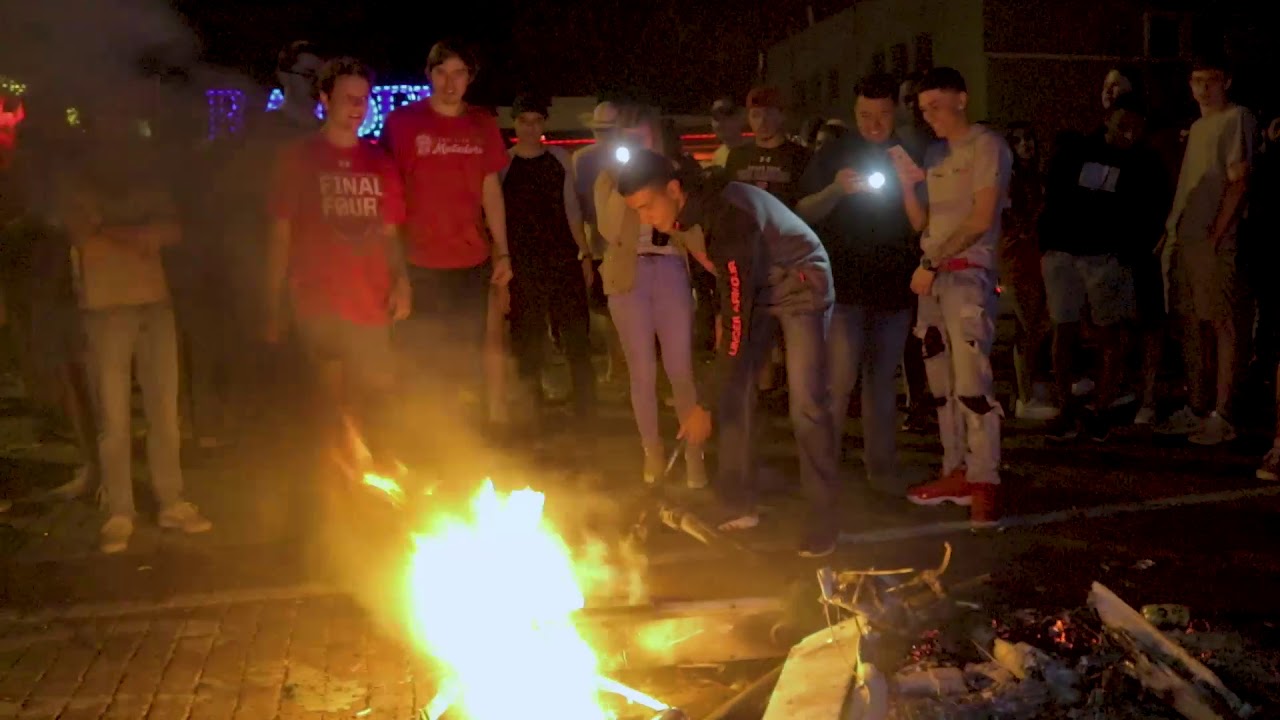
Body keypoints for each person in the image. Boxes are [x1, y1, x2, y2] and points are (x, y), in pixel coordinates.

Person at [617, 149, 839, 557]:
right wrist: (717, 383)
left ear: (673, 188)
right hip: (757, 286)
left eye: (647, 206)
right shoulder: (685, 215)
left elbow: (738, 321)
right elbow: (729, 298)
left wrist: (703, 404)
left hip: (800, 282)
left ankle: (824, 517)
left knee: (806, 405)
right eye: (636, 211)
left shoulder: (728, 218)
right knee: (734, 393)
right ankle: (739, 501)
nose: (645, 218)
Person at [57, 98, 212, 554]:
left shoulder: (147, 178)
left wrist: (115, 229)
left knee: (165, 412)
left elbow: (171, 232)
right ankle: (119, 510)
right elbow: (84, 235)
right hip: (105, 309)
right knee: (114, 419)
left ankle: (172, 500)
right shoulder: (78, 179)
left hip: (155, 305)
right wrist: (138, 233)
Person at [265, 57, 408, 477]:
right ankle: (332, 489)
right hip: (318, 301)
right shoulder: (299, 158)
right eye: (347, 98)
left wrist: (402, 281)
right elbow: (281, 235)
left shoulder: (380, 162)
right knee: (329, 403)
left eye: (362, 100)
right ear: (325, 98)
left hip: (371, 300)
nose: (356, 108)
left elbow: (389, 233)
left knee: (376, 393)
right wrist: (272, 305)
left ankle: (374, 480)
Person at [892, 67, 1013, 525]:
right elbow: (922, 222)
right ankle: (954, 470)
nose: (930, 117)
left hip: (964, 276)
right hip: (934, 279)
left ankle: (985, 478)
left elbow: (981, 218)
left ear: (961, 99)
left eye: (936, 106)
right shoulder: (936, 152)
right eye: (924, 110)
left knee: (972, 382)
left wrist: (931, 261)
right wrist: (905, 184)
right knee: (940, 382)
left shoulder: (987, 146)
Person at [796, 73, 920, 498]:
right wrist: (835, 189)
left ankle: (881, 471)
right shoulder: (835, 152)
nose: (874, 124)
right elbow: (803, 210)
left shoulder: (908, 153)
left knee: (882, 384)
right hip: (846, 287)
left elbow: (924, 215)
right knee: (839, 381)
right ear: (854, 113)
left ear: (895, 112)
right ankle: (823, 471)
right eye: (866, 115)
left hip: (894, 287)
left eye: (883, 115)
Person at [382, 40, 512, 428]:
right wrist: (394, 266)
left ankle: (464, 441)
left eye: (458, 74)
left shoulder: (482, 124)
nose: (449, 83)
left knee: (465, 353)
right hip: (419, 261)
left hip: (470, 261)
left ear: (470, 79)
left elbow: (491, 190)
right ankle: (423, 437)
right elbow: (388, 194)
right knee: (419, 354)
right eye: (441, 73)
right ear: (429, 75)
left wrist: (503, 252)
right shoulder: (402, 123)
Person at [1038, 95, 1168, 442]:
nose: (1128, 133)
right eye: (1123, 124)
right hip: (1064, 252)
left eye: (1136, 127)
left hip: (1106, 256)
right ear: (1108, 118)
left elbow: (1152, 209)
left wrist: (1128, 250)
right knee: (1062, 329)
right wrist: (1049, 244)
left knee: (1110, 333)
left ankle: (1101, 408)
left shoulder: (1143, 162)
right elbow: (1053, 195)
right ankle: (1066, 406)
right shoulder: (1077, 150)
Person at [595, 104, 706, 487]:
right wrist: (622, 181)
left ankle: (694, 455)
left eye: (639, 135)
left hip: (671, 268)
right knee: (642, 371)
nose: (633, 143)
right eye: (625, 136)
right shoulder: (609, 178)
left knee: (680, 368)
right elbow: (610, 230)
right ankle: (652, 453)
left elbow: (693, 226)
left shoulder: (675, 172)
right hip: (628, 276)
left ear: (654, 134)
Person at [1155, 55, 1255, 445]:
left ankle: (1223, 412)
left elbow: (1238, 179)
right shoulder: (1198, 127)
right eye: (1197, 80)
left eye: (1210, 81)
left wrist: (1217, 232)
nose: (1202, 88)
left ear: (1226, 81)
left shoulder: (1236, 117)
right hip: (1185, 239)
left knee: (1221, 322)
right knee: (1190, 323)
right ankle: (1197, 405)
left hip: (1212, 240)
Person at [500, 93, 596, 421]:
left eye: (536, 121)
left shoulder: (559, 159)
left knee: (575, 334)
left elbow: (572, 208)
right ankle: (532, 404)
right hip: (523, 263)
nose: (530, 128)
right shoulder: (504, 164)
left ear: (544, 123)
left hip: (562, 258)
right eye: (524, 121)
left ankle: (585, 404)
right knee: (527, 336)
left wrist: (584, 252)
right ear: (515, 124)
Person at [1001, 121, 1057, 421]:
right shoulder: (1008, 179)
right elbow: (1013, 219)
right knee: (1029, 325)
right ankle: (1024, 395)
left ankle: (1024, 389)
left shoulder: (1037, 178)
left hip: (1036, 256)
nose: (1027, 145)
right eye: (1019, 140)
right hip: (1016, 256)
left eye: (1030, 139)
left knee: (1036, 323)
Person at [724, 86, 810, 208]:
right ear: (748, 118)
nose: (762, 121)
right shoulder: (737, 156)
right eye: (755, 115)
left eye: (769, 114)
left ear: (782, 115)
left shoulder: (801, 157)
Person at [708, 96, 747, 169]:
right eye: (716, 118)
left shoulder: (754, 152)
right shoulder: (718, 155)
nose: (720, 123)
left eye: (727, 117)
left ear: (741, 119)